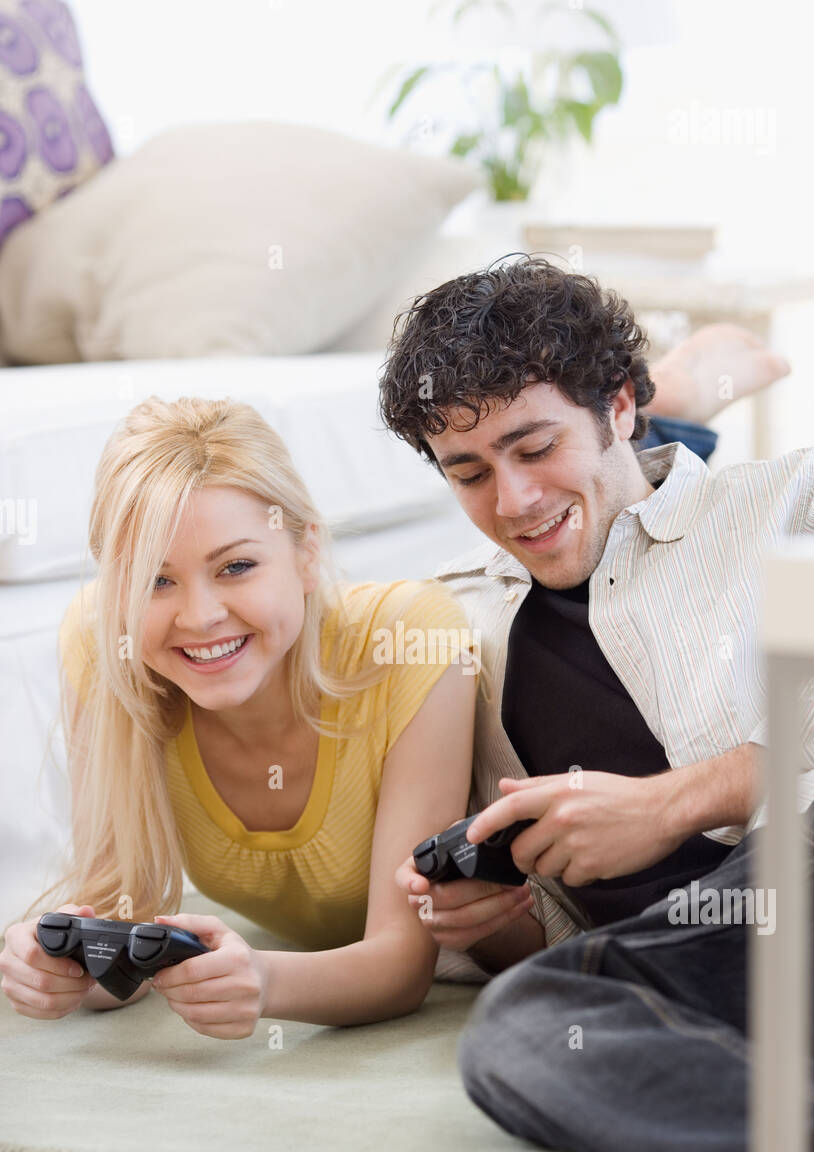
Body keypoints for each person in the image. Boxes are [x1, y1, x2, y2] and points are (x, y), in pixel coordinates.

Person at [376, 255, 814, 1152]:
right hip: (731, 977)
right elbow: (567, 931)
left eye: (534, 446)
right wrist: (502, 919)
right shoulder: (465, 625)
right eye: (466, 473)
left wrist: (671, 803)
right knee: (522, 1025)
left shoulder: (798, 503)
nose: (510, 499)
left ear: (624, 406)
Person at [0, 395, 482, 1035]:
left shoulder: (414, 636)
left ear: (306, 553)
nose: (199, 617)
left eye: (237, 566)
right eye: (154, 581)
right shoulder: (103, 647)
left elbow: (401, 964)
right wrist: (66, 965)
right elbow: (124, 922)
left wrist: (267, 980)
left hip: (517, 949)